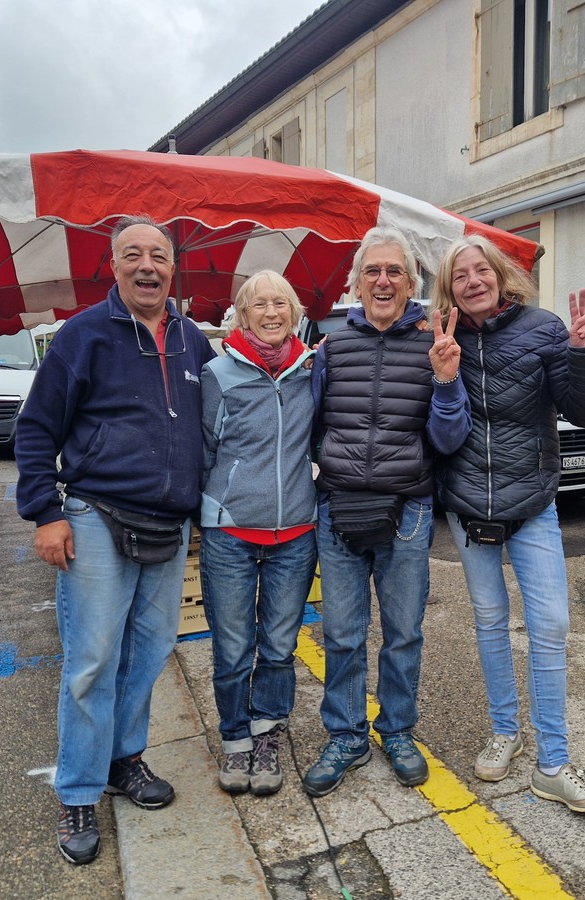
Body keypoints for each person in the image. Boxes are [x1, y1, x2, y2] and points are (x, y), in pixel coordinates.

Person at [15, 215, 217, 865]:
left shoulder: (193, 342)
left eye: (158, 255)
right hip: (98, 517)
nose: (147, 265)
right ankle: (77, 788)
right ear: (114, 266)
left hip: (169, 523)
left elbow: (223, 419)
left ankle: (124, 760)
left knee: (150, 651)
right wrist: (47, 512)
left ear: (172, 268)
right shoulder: (83, 336)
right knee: (92, 660)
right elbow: (36, 429)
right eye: (133, 254)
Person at [431, 235, 585, 813]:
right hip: (468, 504)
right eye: (460, 276)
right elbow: (437, 430)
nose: (473, 281)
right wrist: (440, 372)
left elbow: (581, 412)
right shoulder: (441, 338)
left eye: (481, 269)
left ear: (500, 274)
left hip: (533, 501)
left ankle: (553, 763)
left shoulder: (543, 328)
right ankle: (504, 730)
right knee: (489, 620)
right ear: (449, 289)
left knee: (551, 625)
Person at [301, 226, 470, 797]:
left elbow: (449, 440)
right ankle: (346, 735)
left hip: (408, 512)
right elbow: (308, 427)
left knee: (402, 633)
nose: (382, 280)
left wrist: (447, 381)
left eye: (394, 271)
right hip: (340, 508)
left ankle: (397, 730)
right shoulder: (331, 346)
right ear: (356, 281)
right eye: (372, 270)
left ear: (411, 282)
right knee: (342, 633)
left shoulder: (434, 343)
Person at [199, 270, 317, 796]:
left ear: (294, 313)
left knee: (277, 646)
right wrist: (211, 507)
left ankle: (267, 734)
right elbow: (203, 450)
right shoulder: (218, 374)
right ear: (241, 315)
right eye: (259, 305)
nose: (272, 313)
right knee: (231, 647)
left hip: (295, 531)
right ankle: (235, 738)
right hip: (230, 533)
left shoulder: (310, 370)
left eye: (281, 304)